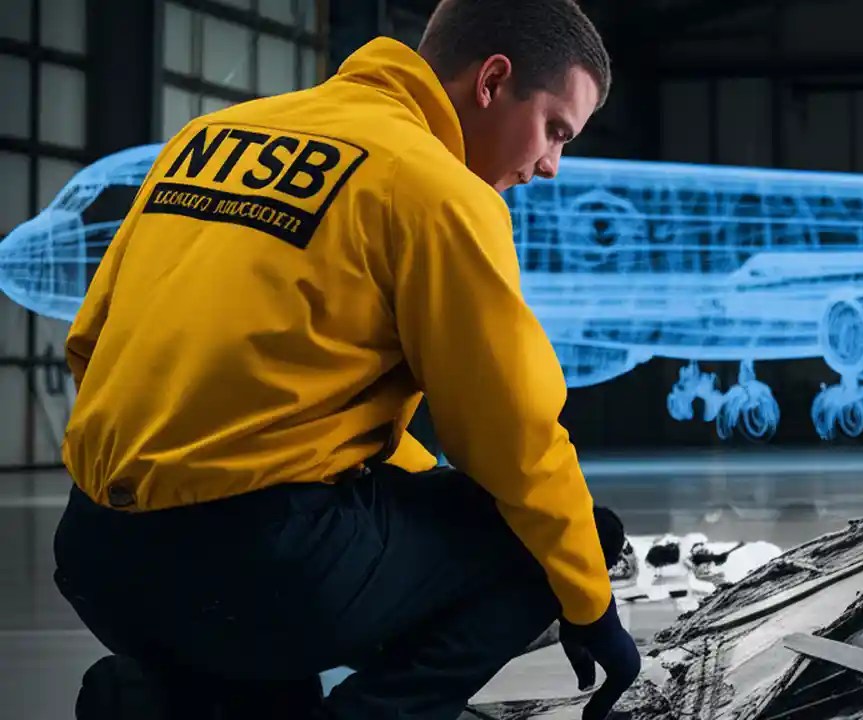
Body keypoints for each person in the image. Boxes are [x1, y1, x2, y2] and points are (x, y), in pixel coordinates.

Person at [51, 0, 641, 718]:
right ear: (491, 80)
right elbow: (514, 437)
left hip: (94, 553)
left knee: (261, 668)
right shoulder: (435, 188)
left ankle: (145, 697)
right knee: (553, 540)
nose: (550, 165)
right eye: (554, 129)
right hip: (259, 573)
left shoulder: (209, 137)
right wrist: (591, 606)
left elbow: (91, 342)